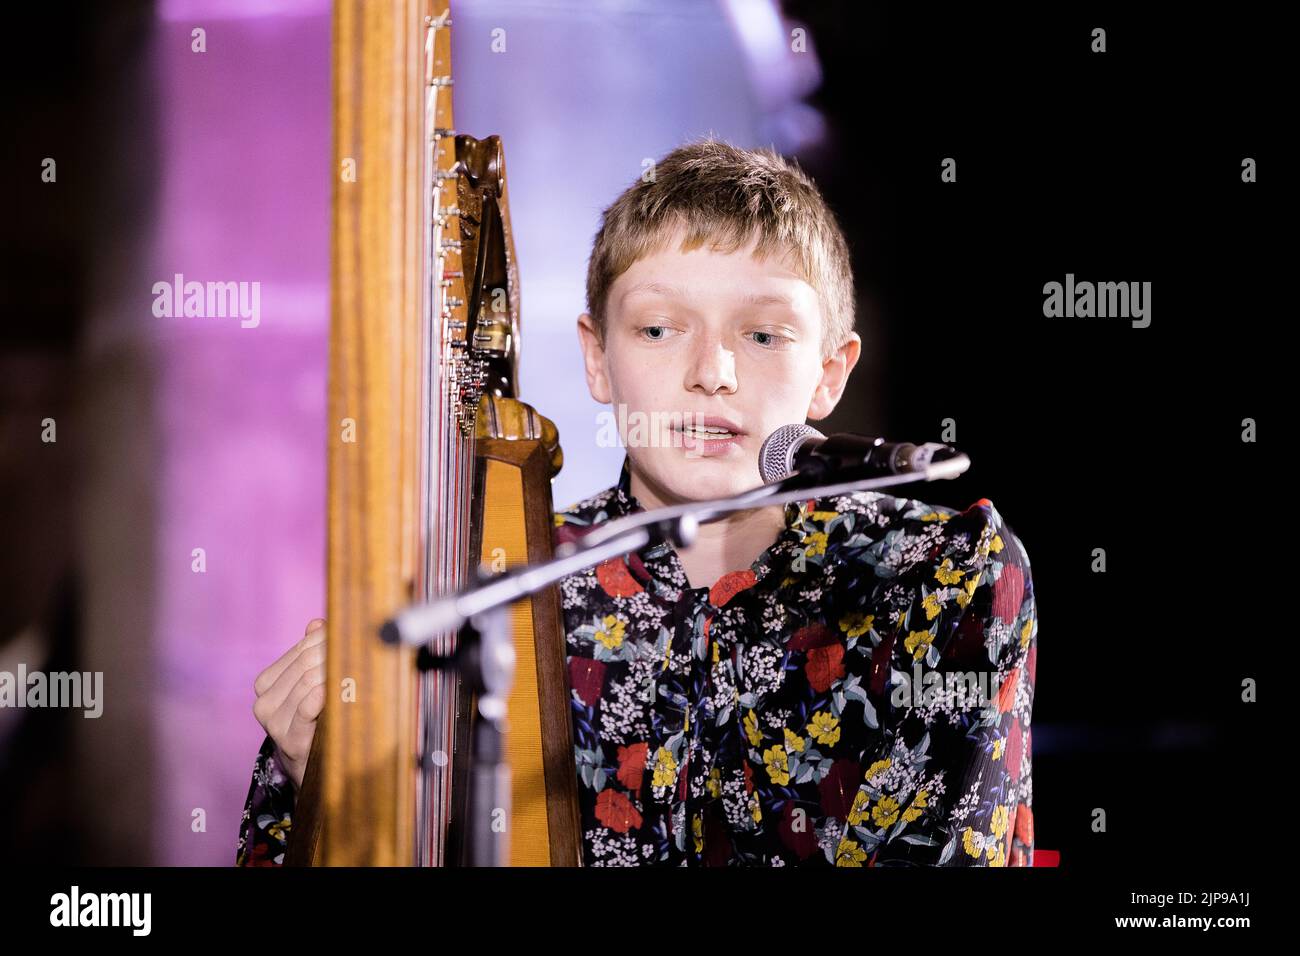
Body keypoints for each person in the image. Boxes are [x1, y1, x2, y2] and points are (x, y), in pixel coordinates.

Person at [237, 138, 1037, 867]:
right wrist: (324, 788)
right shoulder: (491, 590)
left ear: (831, 372)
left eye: (763, 335)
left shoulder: (940, 576)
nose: (713, 371)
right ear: (596, 357)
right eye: (659, 329)